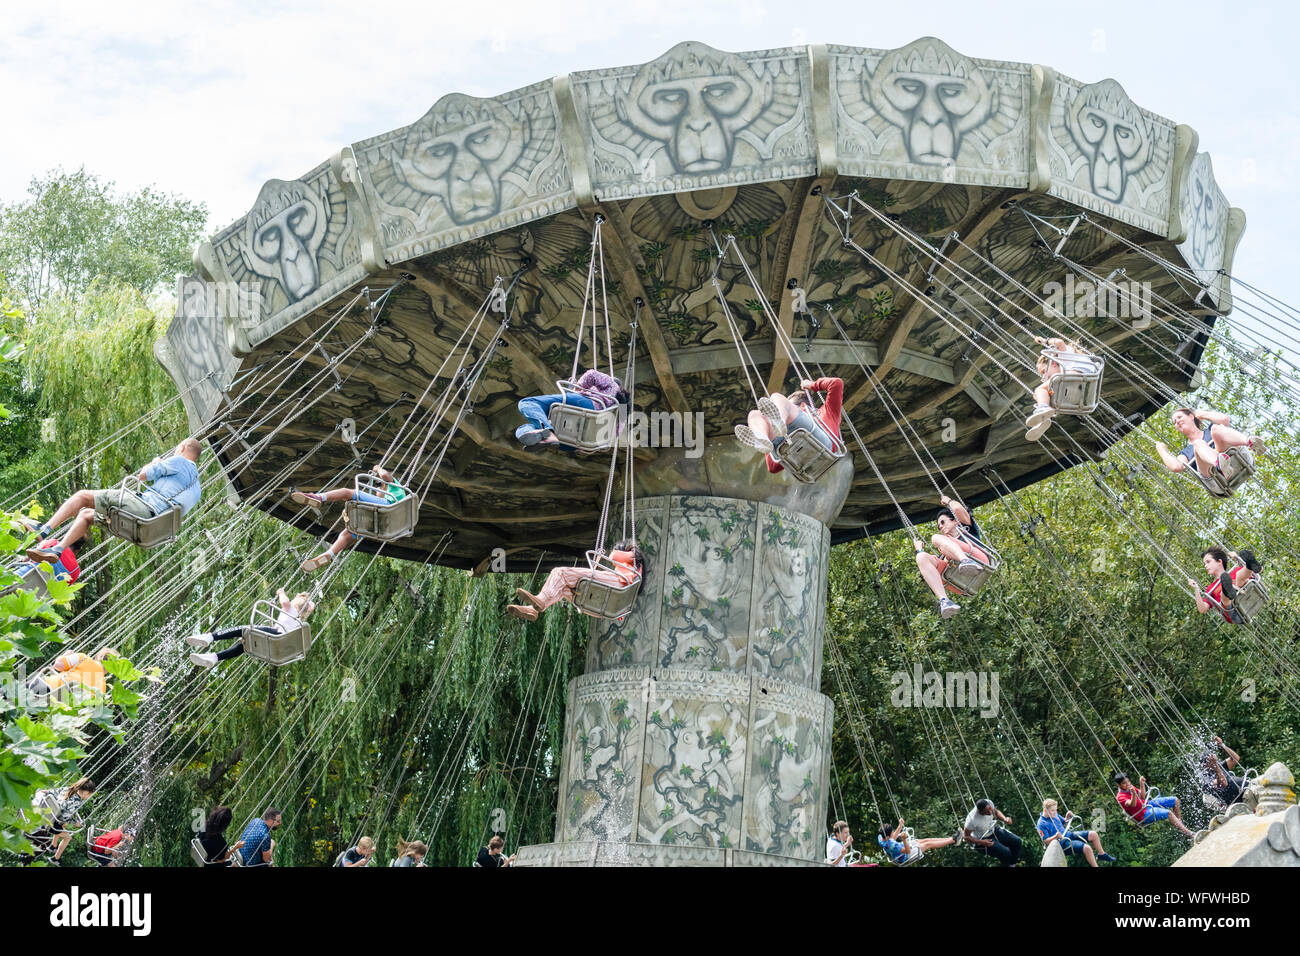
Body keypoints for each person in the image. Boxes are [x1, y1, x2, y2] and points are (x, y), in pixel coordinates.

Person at [23, 438, 202, 562]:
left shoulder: (179, 461)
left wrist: (156, 462)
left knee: (83, 496)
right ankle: (57, 550)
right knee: (86, 515)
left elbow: (143, 475)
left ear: (183, 448)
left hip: (143, 510)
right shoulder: (197, 489)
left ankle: (44, 530)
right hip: (150, 531)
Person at [294, 465, 409, 572]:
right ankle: (329, 554)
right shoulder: (394, 499)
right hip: (381, 523)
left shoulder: (395, 486)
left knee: (346, 493)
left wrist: (378, 468)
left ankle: (318, 497)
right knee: (347, 535)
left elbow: (385, 476)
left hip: (386, 508)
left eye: (380, 485)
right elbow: (378, 497)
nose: (378, 488)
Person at [507, 539, 644, 621]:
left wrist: (621, 550)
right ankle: (533, 609)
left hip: (618, 585)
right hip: (610, 604)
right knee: (562, 588)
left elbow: (614, 556)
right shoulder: (627, 570)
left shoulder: (633, 560)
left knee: (560, 572)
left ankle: (541, 600)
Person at [734, 377, 845, 474]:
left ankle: (779, 420)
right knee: (755, 414)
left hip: (822, 442)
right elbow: (772, 467)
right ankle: (762, 438)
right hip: (793, 446)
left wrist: (811, 384)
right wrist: (769, 447)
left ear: (802, 406)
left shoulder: (826, 412)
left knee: (776, 397)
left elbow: (836, 383)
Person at [187, 588, 314, 668]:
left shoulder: (291, 609)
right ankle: (215, 657)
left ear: (297, 601)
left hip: (276, 635)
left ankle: (210, 637)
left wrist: (281, 592)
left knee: (244, 629)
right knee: (244, 646)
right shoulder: (298, 622)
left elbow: (285, 602)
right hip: (276, 648)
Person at [913, 495, 988, 619]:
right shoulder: (943, 547)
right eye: (939, 526)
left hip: (977, 558)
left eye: (943, 522)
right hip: (958, 580)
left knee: (935, 538)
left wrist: (948, 501)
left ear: (955, 521)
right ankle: (944, 600)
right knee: (921, 557)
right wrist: (919, 550)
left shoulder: (966, 529)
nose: (941, 527)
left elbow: (958, 509)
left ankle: (965, 560)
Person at [1154, 407, 1265, 490]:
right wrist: (1161, 450)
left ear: (1191, 417)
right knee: (1198, 444)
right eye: (1174, 422)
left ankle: (1250, 442)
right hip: (1216, 480)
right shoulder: (1186, 452)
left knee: (1216, 429)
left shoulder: (1210, 430)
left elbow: (1224, 420)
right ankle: (1219, 463)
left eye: (1179, 417)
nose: (1177, 421)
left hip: (1238, 459)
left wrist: (1202, 414)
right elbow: (1176, 467)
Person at [515, 369, 629, 448]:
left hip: (586, 406)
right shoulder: (622, 409)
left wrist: (577, 388)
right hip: (577, 443)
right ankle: (538, 434)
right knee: (523, 428)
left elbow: (592, 374)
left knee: (528, 403)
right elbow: (615, 433)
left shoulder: (612, 385)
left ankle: (548, 432)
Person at [1025, 335, 1086, 441]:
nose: (1044, 377)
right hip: (1080, 377)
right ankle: (1043, 419)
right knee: (1044, 395)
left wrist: (1045, 341)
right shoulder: (1069, 364)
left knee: (1039, 390)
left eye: (1044, 372)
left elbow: (1059, 342)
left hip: (1075, 373)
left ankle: (1043, 408)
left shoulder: (1065, 356)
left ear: (1052, 363)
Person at [21, 778, 95, 865]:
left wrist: (47, 792)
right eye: (90, 794)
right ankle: (33, 857)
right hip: (51, 823)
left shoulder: (67, 789)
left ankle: (53, 846)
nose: (89, 797)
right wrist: (76, 823)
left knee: (62, 827)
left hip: (45, 814)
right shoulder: (76, 802)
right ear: (86, 792)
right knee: (67, 837)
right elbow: (64, 818)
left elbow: (53, 792)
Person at [1189, 547, 1263, 625]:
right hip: (1235, 613)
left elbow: (1260, 570)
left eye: (1208, 562)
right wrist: (1196, 589)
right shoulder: (1211, 588)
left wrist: (1237, 558)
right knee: (1224, 595)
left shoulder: (1236, 570)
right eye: (1205, 564)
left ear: (1219, 561)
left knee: (1239, 575)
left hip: (1249, 595)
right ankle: (1228, 590)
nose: (1205, 566)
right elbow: (1202, 609)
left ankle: (1249, 564)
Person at [1035, 799, 1115, 866]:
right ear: (1045, 810)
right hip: (1061, 844)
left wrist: (1067, 818)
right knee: (1087, 848)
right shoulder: (1041, 823)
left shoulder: (1054, 815)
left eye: (1056, 810)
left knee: (1093, 834)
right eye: (1053, 810)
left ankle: (1101, 854)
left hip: (1067, 834)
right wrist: (1056, 836)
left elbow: (1064, 823)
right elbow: (1046, 841)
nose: (1055, 812)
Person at [27, 646, 120, 702]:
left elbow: (58, 665)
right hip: (60, 709)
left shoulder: (83, 658)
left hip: (48, 687)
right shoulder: (102, 689)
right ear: (111, 670)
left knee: (15, 695)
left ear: (97, 656)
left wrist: (65, 655)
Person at [1114, 772, 1193, 837]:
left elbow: (1142, 796)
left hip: (1147, 804)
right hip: (1143, 814)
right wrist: (1134, 794)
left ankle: (1180, 825)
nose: (1127, 784)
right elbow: (1133, 804)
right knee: (1168, 813)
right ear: (1119, 785)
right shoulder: (1120, 797)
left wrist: (1141, 784)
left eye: (1128, 781)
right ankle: (1190, 834)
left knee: (1175, 800)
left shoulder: (1130, 786)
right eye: (1124, 783)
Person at [3, 536, 80, 595]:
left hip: (18, 579)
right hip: (35, 597)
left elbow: (26, 559)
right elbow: (60, 591)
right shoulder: (76, 571)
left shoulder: (54, 543)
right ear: (77, 550)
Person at [962, 798, 1022, 866]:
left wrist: (1004, 819)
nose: (990, 812)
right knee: (1005, 852)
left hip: (993, 830)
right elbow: (966, 837)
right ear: (980, 811)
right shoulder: (972, 820)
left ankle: (1012, 864)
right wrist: (982, 842)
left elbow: (996, 812)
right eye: (987, 812)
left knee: (1017, 841)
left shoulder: (989, 803)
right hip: (982, 839)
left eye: (990, 809)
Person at [877, 817, 955, 865]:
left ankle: (950, 838)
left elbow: (892, 838)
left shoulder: (881, 838)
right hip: (905, 856)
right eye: (892, 832)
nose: (894, 832)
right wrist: (904, 840)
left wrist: (900, 826)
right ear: (887, 837)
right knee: (928, 844)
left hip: (901, 848)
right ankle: (953, 840)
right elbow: (908, 851)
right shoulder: (893, 846)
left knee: (926, 840)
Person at [1200, 736, 1247, 811]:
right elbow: (1223, 783)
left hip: (1245, 787)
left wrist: (1222, 745)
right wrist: (1216, 768)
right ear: (1204, 765)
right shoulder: (1206, 779)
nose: (1214, 761)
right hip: (1238, 799)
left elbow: (1235, 758)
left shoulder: (1220, 766)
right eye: (1211, 761)